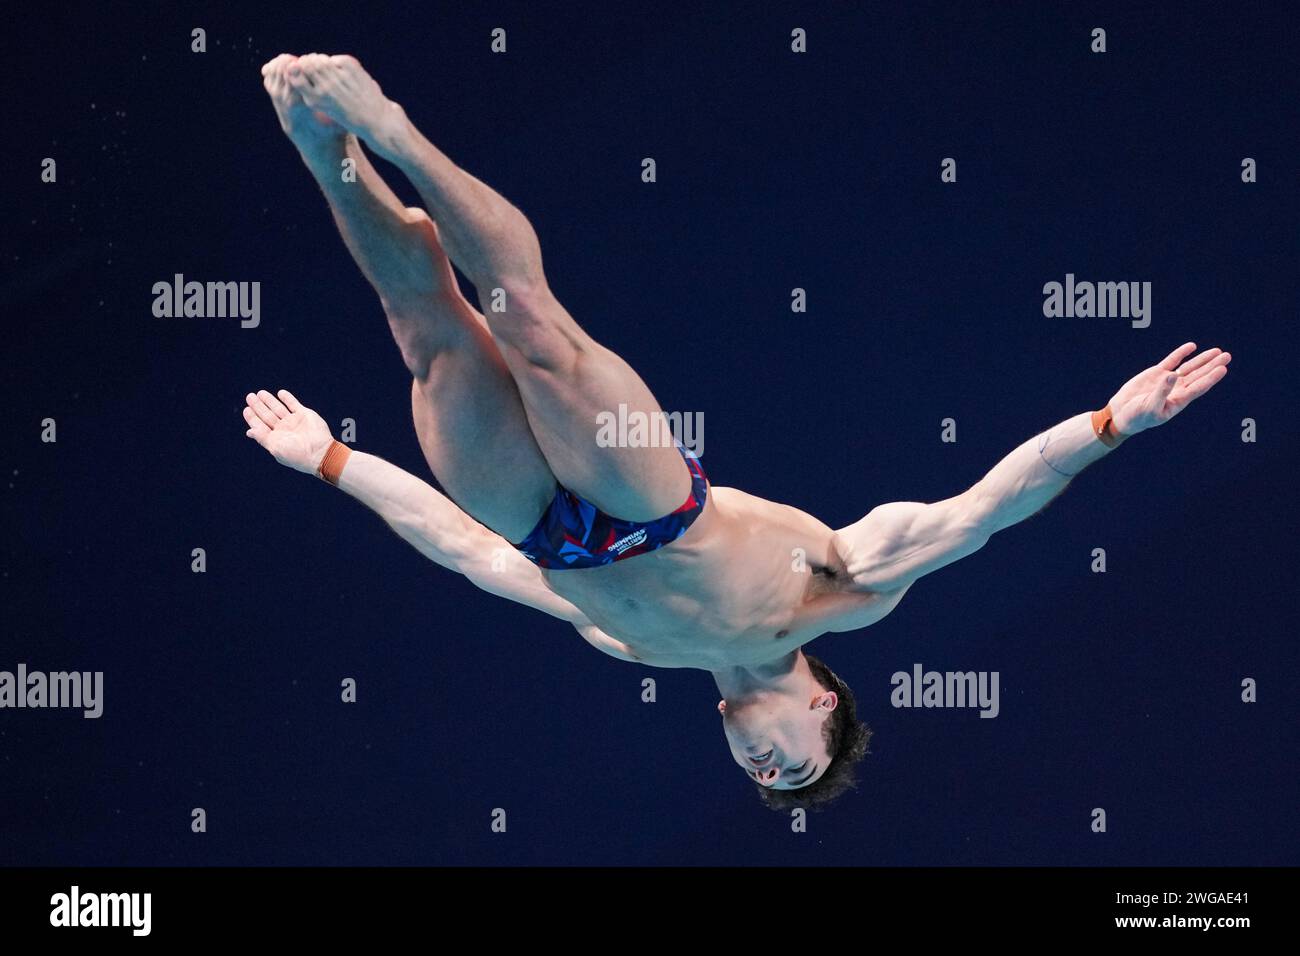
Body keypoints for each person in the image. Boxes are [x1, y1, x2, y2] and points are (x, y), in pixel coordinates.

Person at [244, 53, 1231, 809]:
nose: (769, 769)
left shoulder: (631, 650)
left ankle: (327, 157)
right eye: (796, 769)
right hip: (654, 498)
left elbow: (466, 553)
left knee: (427, 332)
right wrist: (1108, 424)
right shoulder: (835, 590)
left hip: (537, 524)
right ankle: (396, 133)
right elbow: (985, 507)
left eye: (766, 782)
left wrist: (331, 459)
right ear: (825, 710)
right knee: (529, 327)